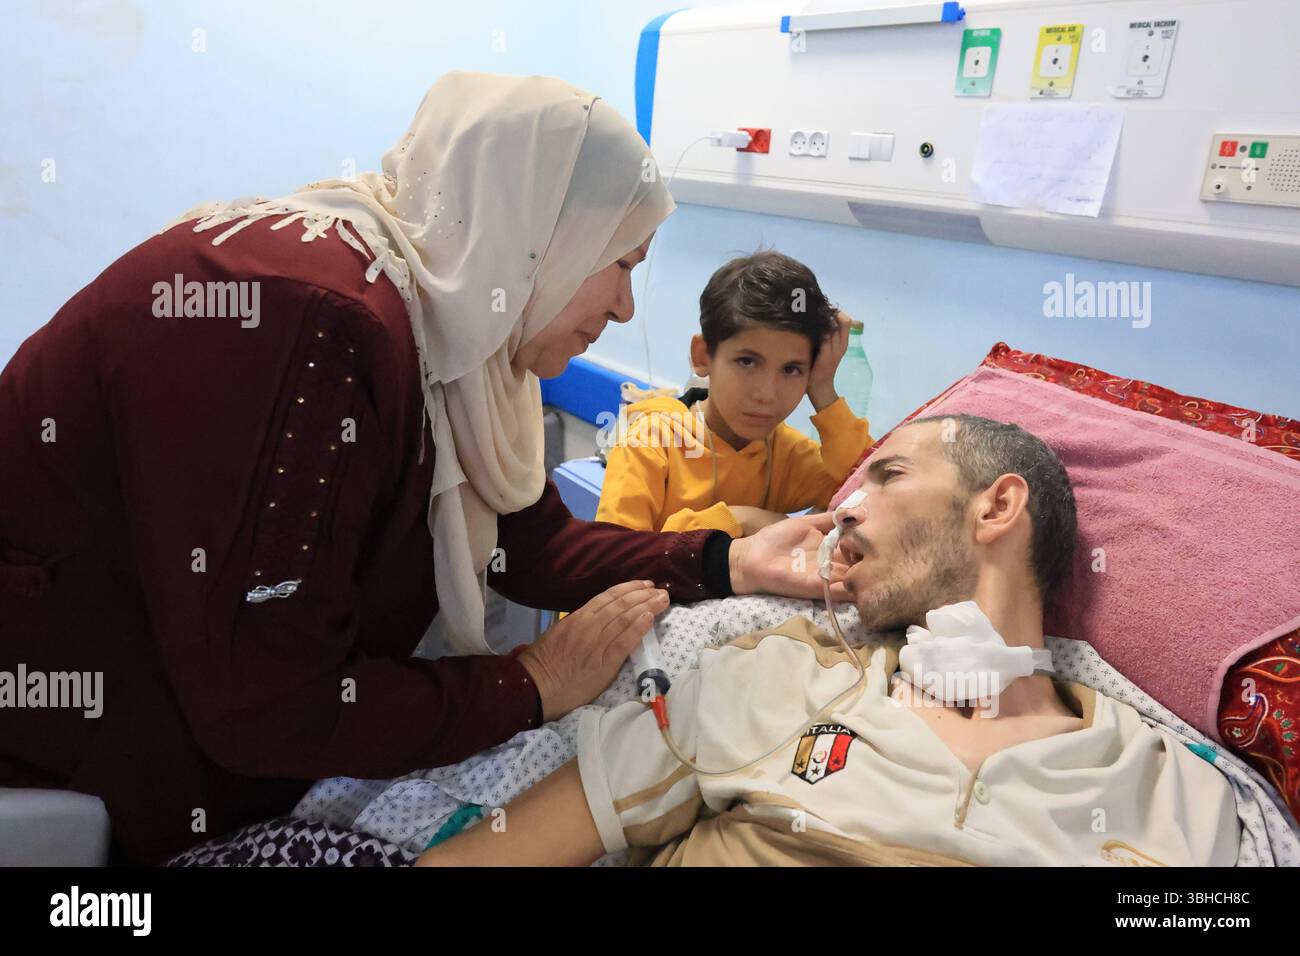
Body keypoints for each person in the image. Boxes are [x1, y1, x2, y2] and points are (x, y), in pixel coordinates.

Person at [0, 71, 844, 864]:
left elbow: (532, 544)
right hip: (74, 724)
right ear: (540, 230)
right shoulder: (314, 323)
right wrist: (529, 684)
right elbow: (266, 704)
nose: (625, 307)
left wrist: (726, 560)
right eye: (622, 262)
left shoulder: (460, 330)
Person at [417, 414, 1241, 866]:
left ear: (996, 507)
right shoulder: (771, 675)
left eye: (889, 476)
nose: (845, 507)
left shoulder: (1166, 787)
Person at [595, 250, 872, 537]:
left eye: (791, 370)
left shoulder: (784, 453)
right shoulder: (651, 444)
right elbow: (616, 554)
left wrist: (823, 391)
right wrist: (738, 520)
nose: (766, 394)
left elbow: (872, 489)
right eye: (747, 362)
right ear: (702, 356)